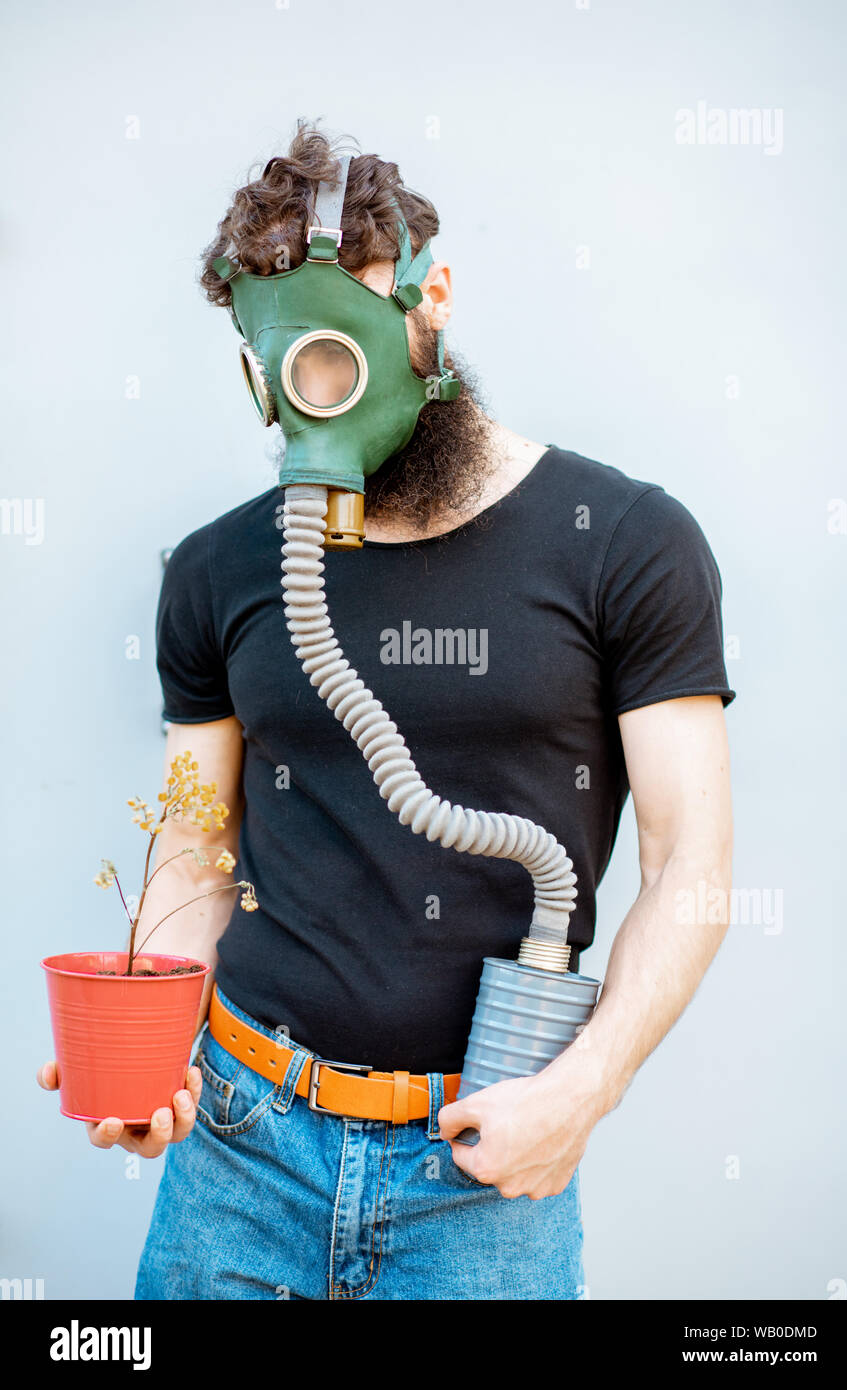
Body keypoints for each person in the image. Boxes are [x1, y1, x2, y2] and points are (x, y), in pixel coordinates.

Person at [38, 121, 735, 1300]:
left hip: (481, 1166)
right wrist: (153, 1061)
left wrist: (585, 1090)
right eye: (286, 357)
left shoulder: (625, 544)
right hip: (242, 1150)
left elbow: (691, 863)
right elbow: (196, 845)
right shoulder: (219, 570)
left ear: (432, 296)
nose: (317, 383)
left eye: (341, 339)